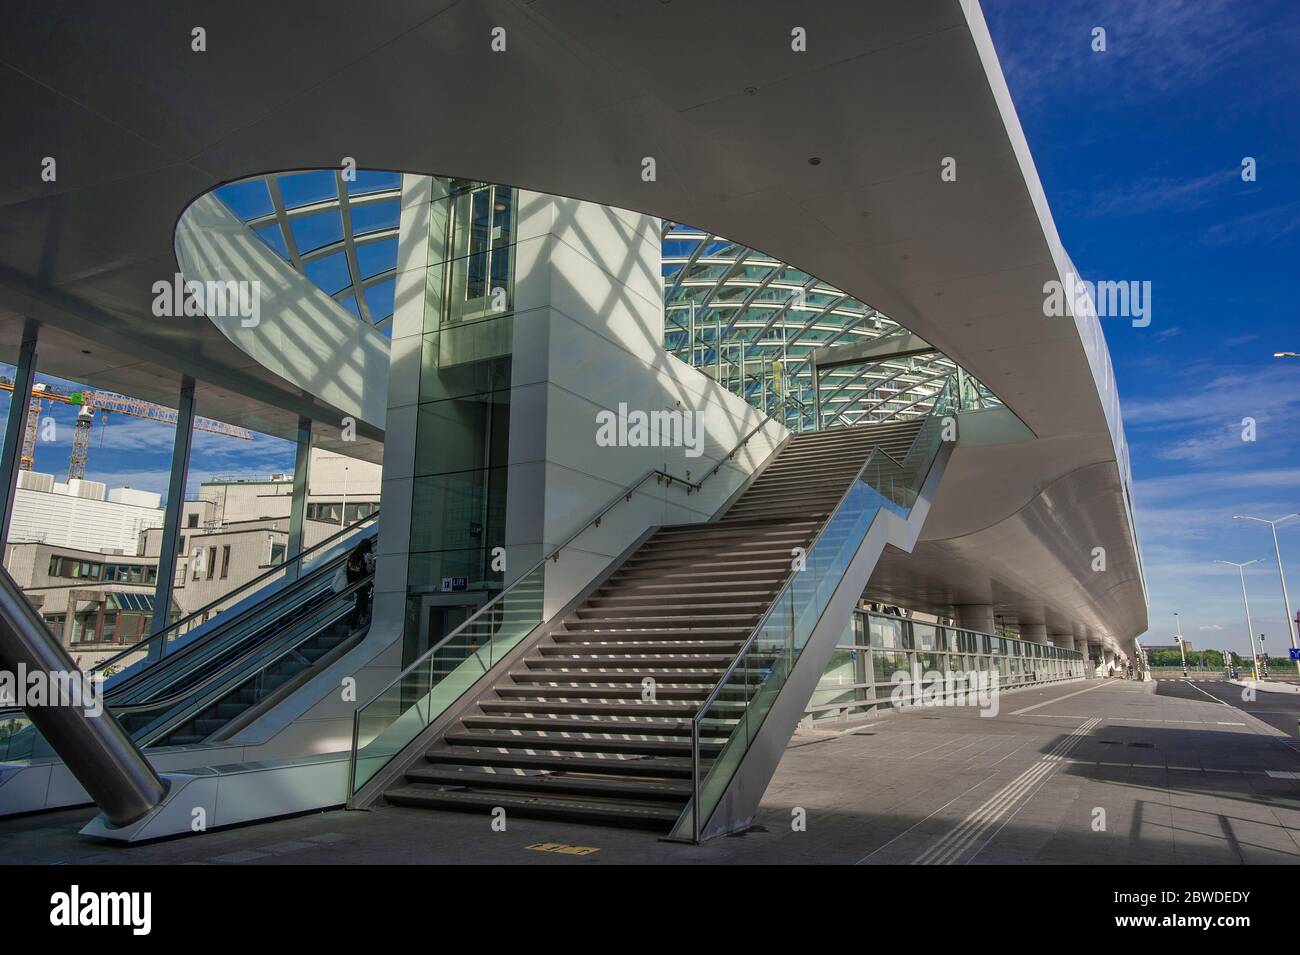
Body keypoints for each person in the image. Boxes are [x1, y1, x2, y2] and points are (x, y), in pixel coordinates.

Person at [345, 538, 375, 628]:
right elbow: (369, 569)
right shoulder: (367, 555)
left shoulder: (352, 555)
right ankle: (360, 619)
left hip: (352, 582)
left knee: (361, 599)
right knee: (363, 599)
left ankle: (355, 623)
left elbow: (347, 568)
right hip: (362, 581)